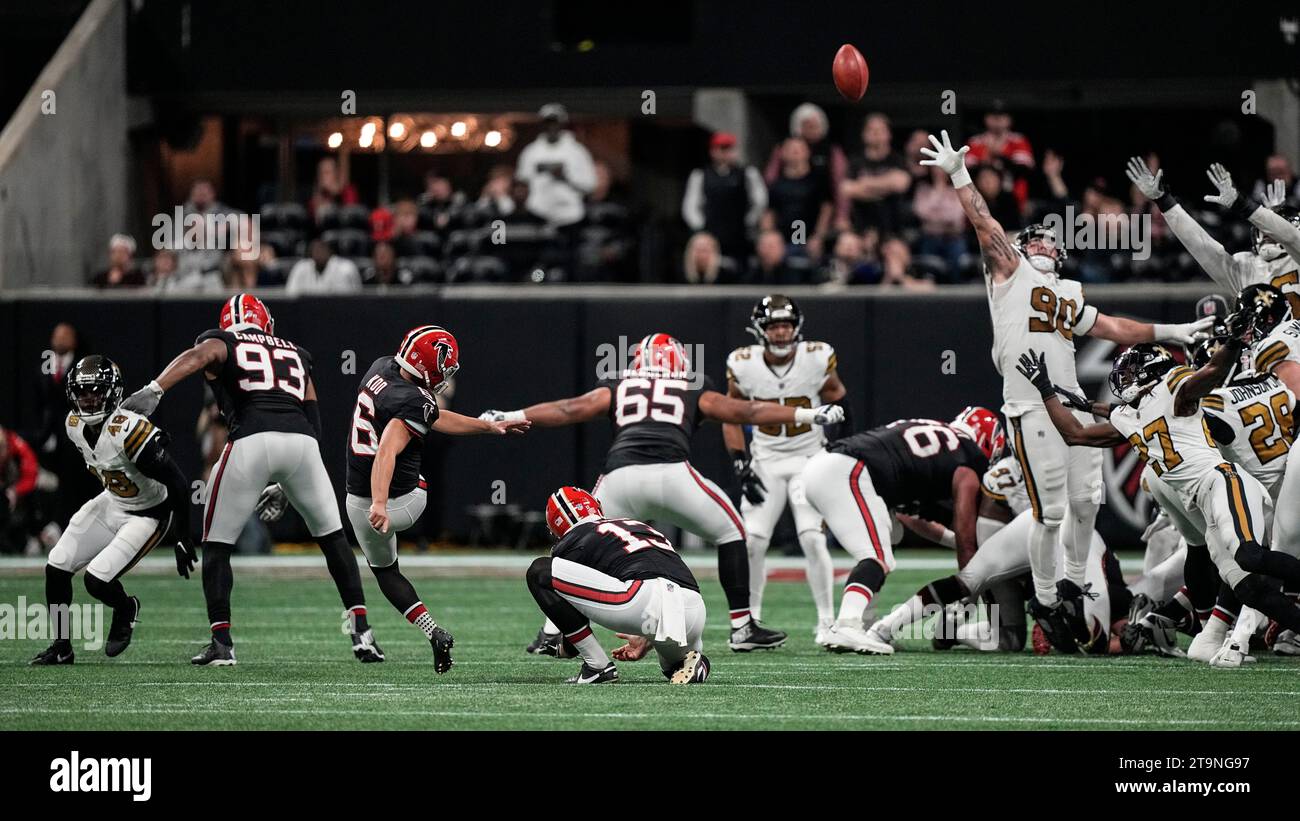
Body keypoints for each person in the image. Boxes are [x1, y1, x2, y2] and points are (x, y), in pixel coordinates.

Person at [920, 129, 1210, 652]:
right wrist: (960, 174)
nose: (1043, 244)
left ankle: (1072, 584)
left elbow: (1113, 328)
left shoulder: (1066, 293)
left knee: (1087, 502)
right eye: (1035, 240)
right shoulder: (1010, 273)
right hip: (1029, 405)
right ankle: (1048, 598)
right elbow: (986, 226)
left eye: (1050, 241)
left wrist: (1174, 332)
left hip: (1069, 403)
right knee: (1049, 511)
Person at [480, 333, 844, 652]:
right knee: (732, 530)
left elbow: (568, 409)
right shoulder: (692, 386)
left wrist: (511, 413)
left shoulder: (619, 385)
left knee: (580, 541)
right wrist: (808, 417)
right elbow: (745, 411)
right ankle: (741, 626)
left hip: (620, 477)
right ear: (679, 363)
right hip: (673, 474)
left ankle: (551, 633)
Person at [120, 294, 382, 666]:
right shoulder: (295, 351)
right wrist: (291, 479)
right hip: (303, 444)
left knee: (216, 544)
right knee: (334, 539)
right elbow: (312, 412)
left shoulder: (222, 340)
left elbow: (198, 358)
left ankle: (222, 643)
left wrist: (154, 390)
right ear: (266, 322)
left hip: (252, 438)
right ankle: (363, 634)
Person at [1023, 337, 1300, 662]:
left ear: (1151, 371)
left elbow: (1211, 373)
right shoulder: (1132, 415)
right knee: (1249, 589)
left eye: (1132, 372)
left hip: (1223, 482)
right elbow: (1076, 434)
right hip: (1202, 502)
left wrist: (1234, 343)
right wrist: (1047, 392)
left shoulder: (1175, 388)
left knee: (1250, 556)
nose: (1124, 380)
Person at [342, 326, 529, 670]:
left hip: (356, 503)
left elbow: (434, 416)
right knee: (416, 463)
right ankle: (434, 633)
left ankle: (434, 632)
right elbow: (387, 451)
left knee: (385, 572)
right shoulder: (415, 399)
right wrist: (382, 503)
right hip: (403, 500)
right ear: (428, 366)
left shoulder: (381, 366)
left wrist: (486, 427)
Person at [30, 356, 195, 665]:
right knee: (57, 566)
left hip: (149, 513)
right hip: (113, 501)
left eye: (95, 391)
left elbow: (179, 482)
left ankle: (125, 608)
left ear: (113, 392)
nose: (88, 398)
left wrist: (184, 536)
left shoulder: (129, 431)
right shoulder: (73, 425)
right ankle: (62, 648)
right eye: (82, 392)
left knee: (96, 581)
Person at [801, 408, 1000, 653]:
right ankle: (847, 625)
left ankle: (864, 622)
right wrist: (970, 580)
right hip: (847, 471)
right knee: (877, 557)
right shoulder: (968, 456)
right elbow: (966, 535)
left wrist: (954, 541)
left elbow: (909, 517)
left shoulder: (934, 432)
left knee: (891, 534)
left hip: (826, 464)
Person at [723, 296, 848, 644]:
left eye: (785, 326)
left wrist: (841, 443)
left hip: (810, 458)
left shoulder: (817, 357)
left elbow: (838, 395)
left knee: (812, 537)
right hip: (766, 460)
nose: (780, 333)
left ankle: (827, 621)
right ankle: (751, 622)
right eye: (774, 326)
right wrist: (740, 462)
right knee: (752, 542)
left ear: (796, 328)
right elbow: (730, 415)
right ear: (760, 330)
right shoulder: (743, 364)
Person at [525, 487, 710, 684]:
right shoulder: (636, 525)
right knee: (675, 668)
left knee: (540, 571)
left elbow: (573, 608)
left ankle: (597, 666)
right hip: (693, 608)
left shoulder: (574, 540)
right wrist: (647, 638)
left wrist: (564, 647)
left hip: (643, 600)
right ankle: (697, 663)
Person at [1127, 158, 1300, 313]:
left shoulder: (1295, 257)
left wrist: (1244, 205)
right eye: (1262, 230)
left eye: (1270, 230)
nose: (1266, 235)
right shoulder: (1248, 268)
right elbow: (1203, 247)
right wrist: (1165, 202)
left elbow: (1290, 237)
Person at [682, 131, 768, 266]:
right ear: (712, 151)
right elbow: (690, 206)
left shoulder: (748, 174)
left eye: (729, 148)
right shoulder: (700, 175)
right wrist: (701, 227)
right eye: (721, 149)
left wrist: (749, 221)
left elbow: (760, 201)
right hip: (711, 233)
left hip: (740, 234)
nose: (725, 153)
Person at [515, 103, 596, 229]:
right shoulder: (531, 152)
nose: (551, 126)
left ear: (562, 123)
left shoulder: (577, 151)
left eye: (555, 122)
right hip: (538, 216)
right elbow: (520, 183)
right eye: (547, 122)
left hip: (570, 217)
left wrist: (566, 178)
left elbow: (590, 185)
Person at [841, 113, 910, 236]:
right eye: (871, 130)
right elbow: (847, 189)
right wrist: (887, 186)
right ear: (863, 134)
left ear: (889, 134)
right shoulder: (856, 161)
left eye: (880, 130)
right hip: (860, 228)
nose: (876, 133)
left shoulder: (897, 159)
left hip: (893, 229)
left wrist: (866, 183)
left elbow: (901, 184)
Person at [286, 238, 362, 295]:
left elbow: (352, 299)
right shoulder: (300, 268)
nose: (318, 253)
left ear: (330, 251)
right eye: (315, 250)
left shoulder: (346, 268)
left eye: (321, 248)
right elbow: (290, 296)